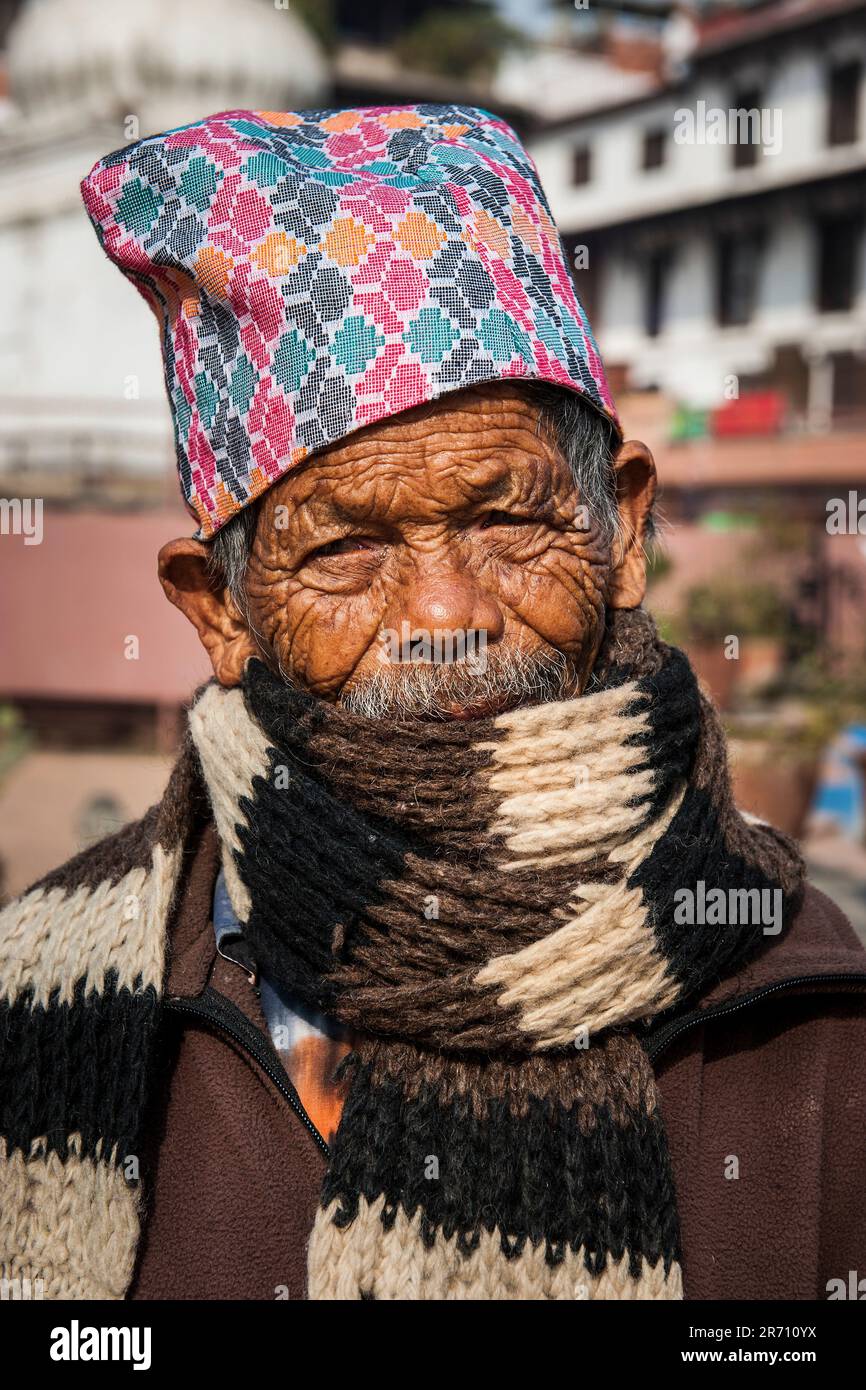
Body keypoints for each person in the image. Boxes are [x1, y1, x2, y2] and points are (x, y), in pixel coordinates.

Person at [1, 104, 864, 1302]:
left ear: (620, 531)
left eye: (505, 520)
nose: (445, 611)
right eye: (347, 551)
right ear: (221, 612)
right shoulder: (60, 1000)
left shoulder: (810, 1012)